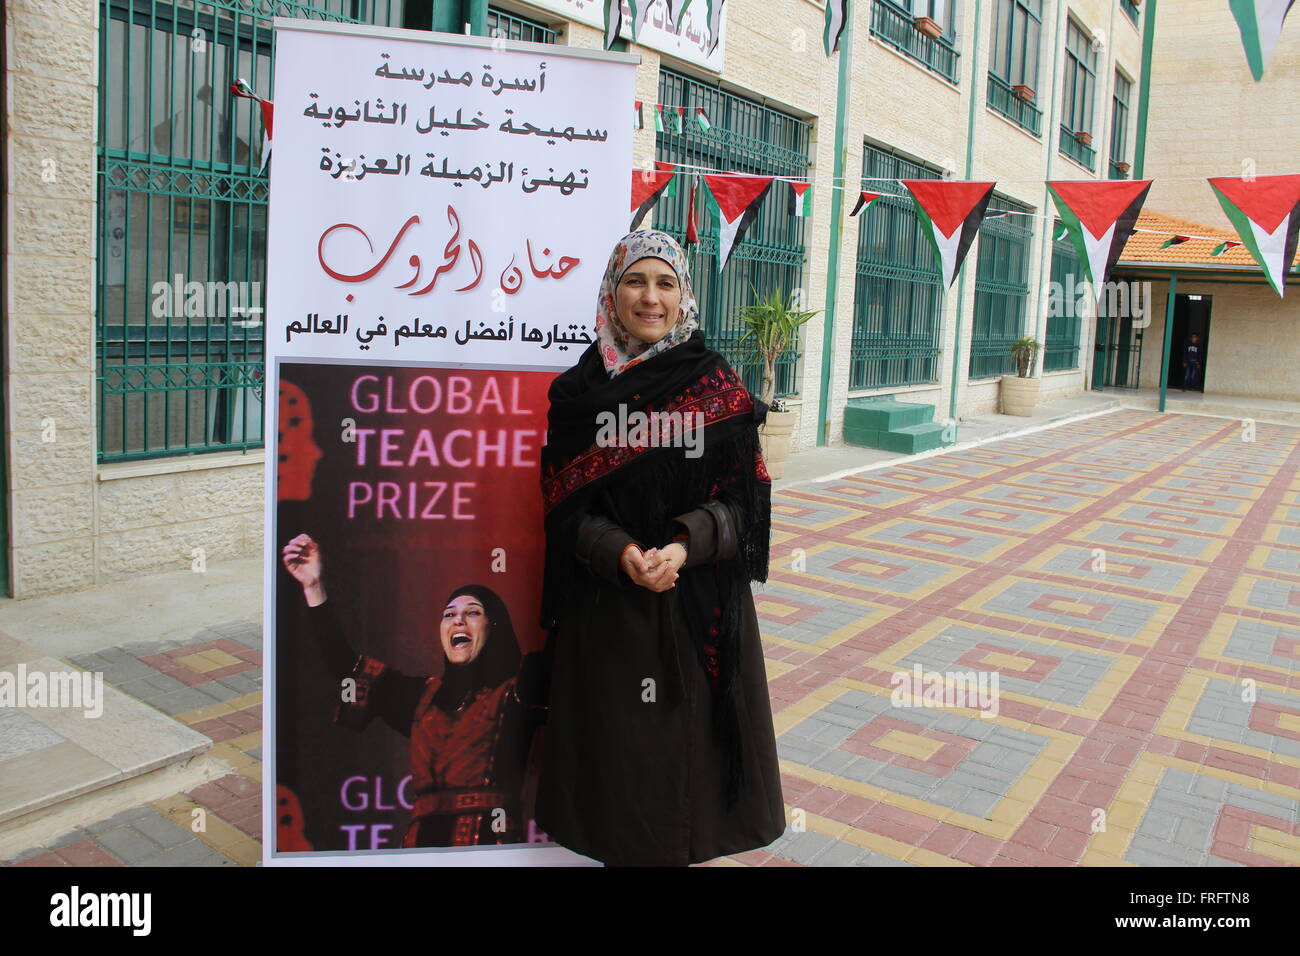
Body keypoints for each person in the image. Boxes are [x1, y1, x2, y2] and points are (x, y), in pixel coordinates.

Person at [535, 229, 786, 867]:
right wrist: (619, 552)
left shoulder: (716, 388)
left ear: (685, 297)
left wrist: (682, 544)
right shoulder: (575, 395)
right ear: (611, 292)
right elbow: (564, 512)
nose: (650, 298)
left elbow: (746, 508)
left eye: (665, 283)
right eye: (636, 281)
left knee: (685, 788)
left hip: (695, 607)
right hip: (608, 619)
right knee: (618, 784)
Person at [281, 534, 548, 849]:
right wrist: (313, 587)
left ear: (495, 626)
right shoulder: (422, 697)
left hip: (491, 847)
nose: (457, 620)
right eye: (448, 614)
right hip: (420, 848)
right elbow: (347, 670)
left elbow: (574, 653)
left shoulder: (520, 688)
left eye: (473, 612)